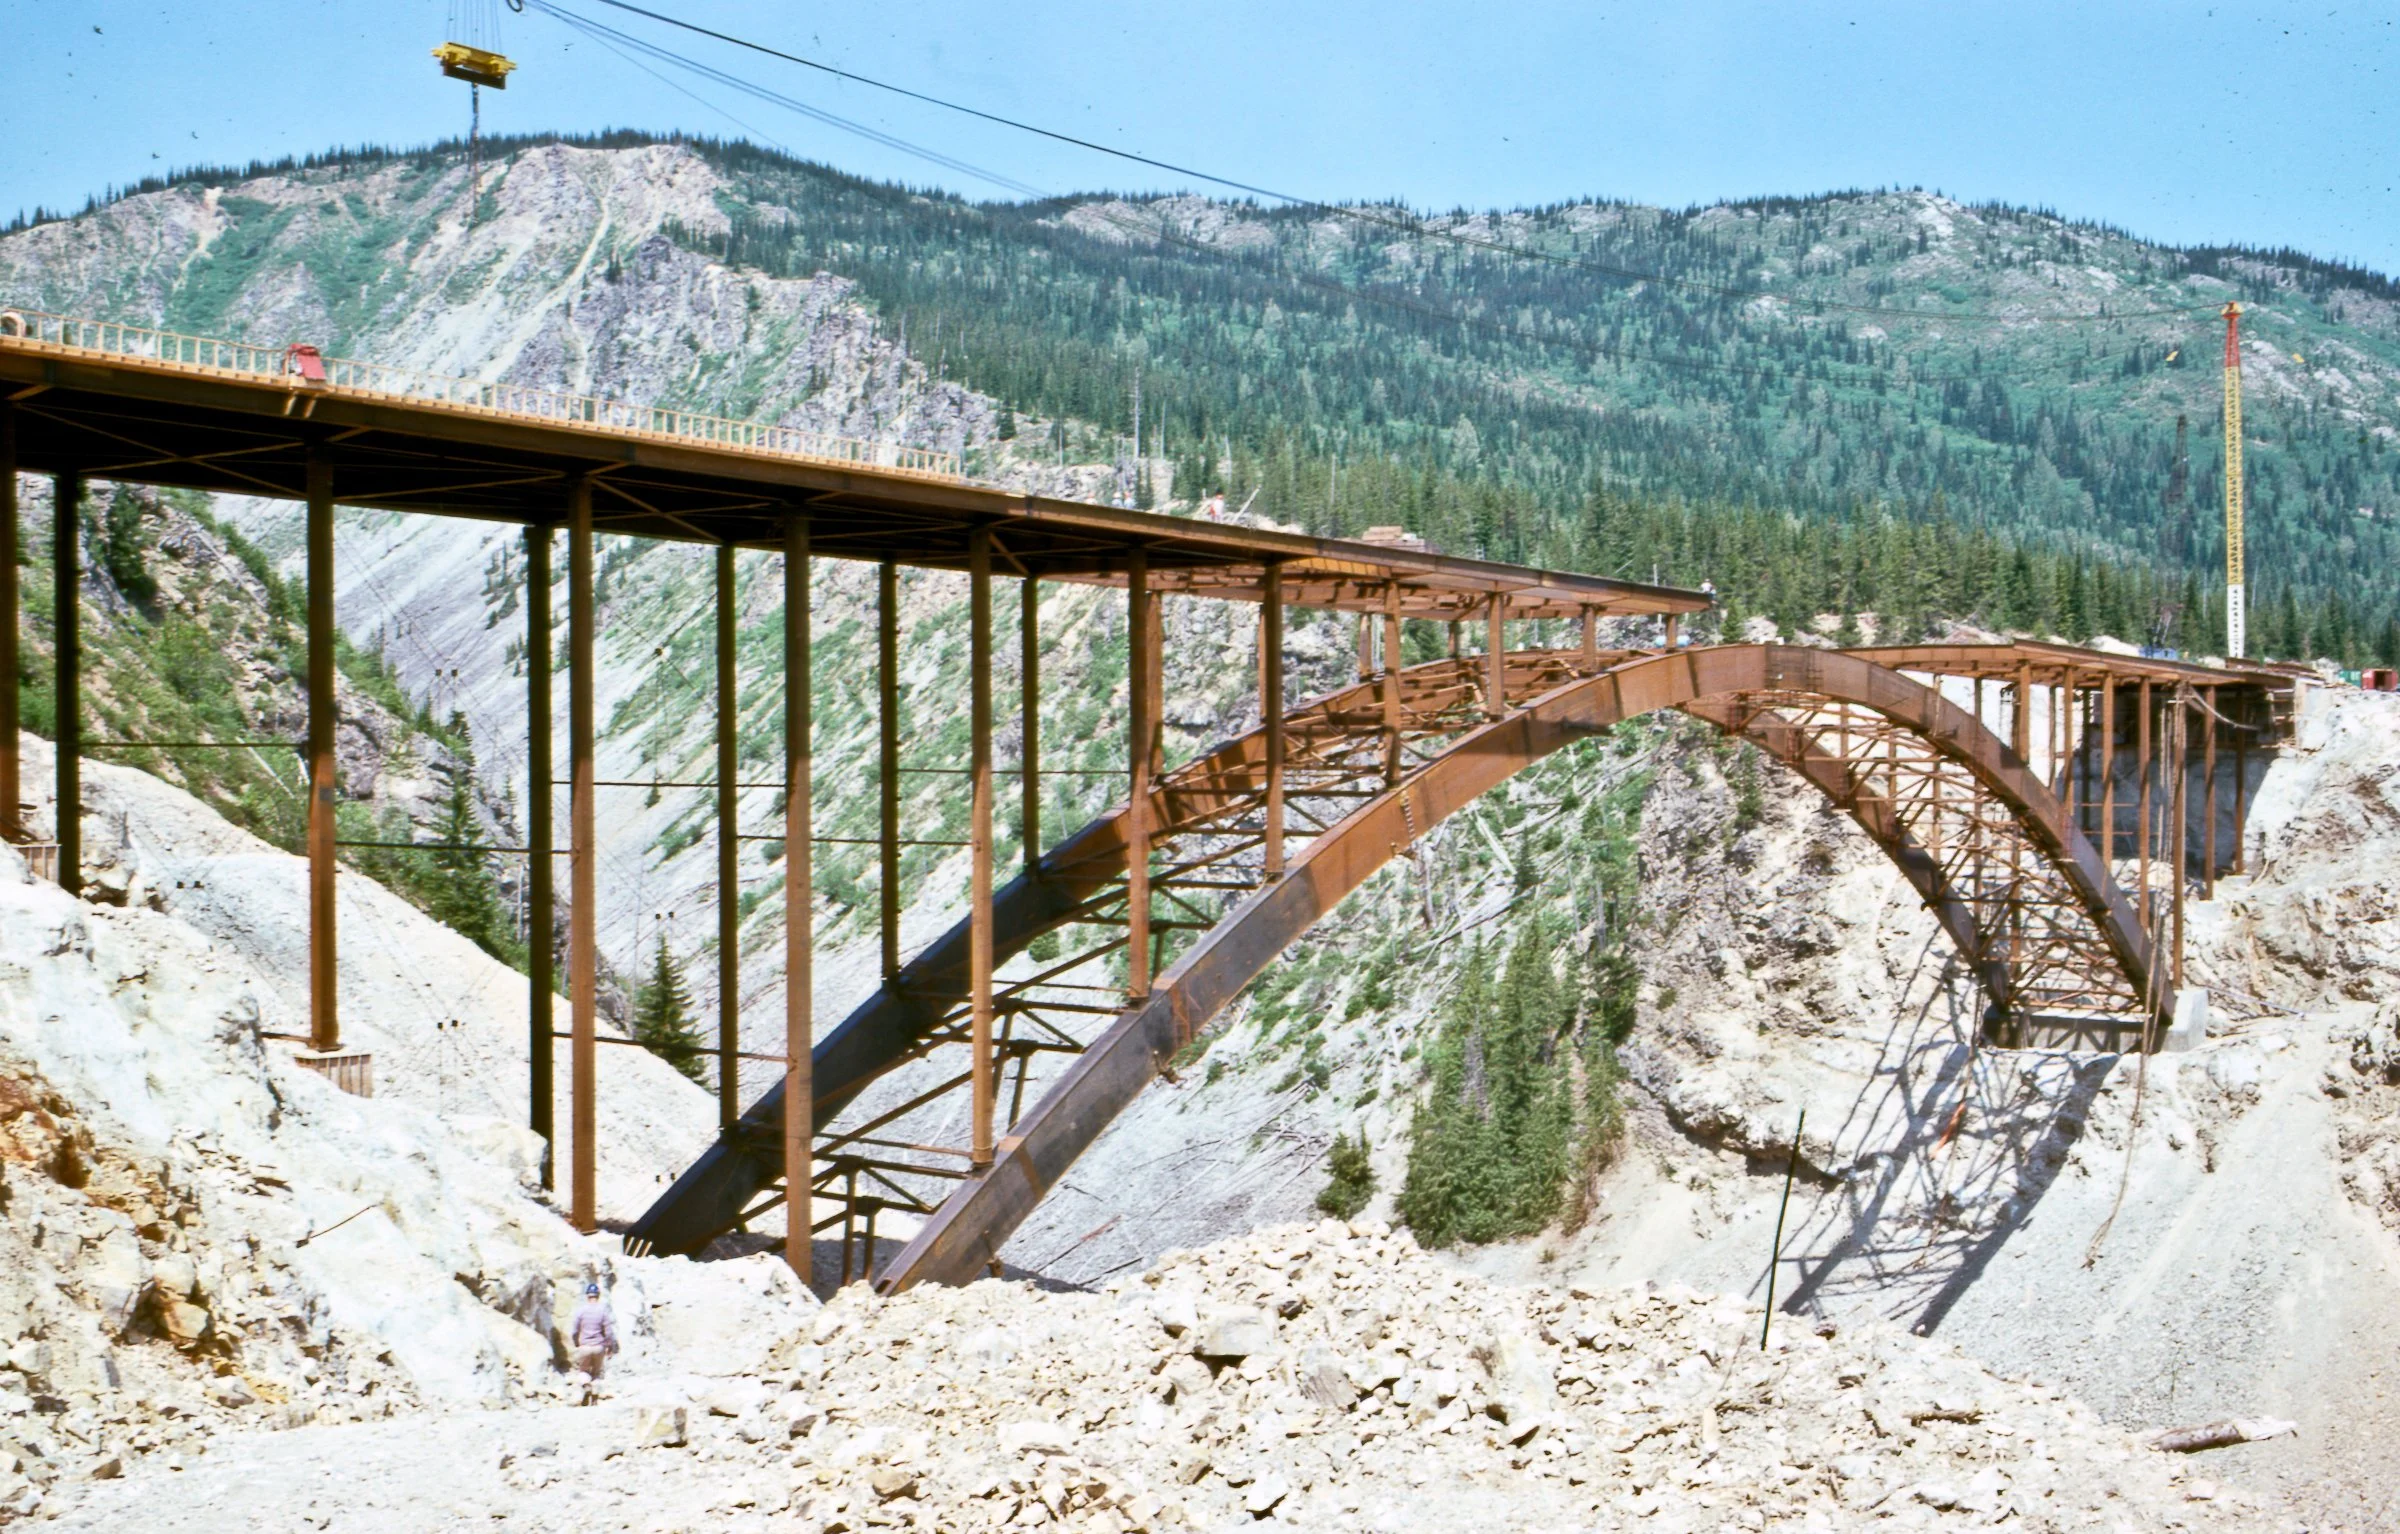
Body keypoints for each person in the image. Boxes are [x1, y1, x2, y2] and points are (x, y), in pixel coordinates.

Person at [568, 1282, 618, 1392]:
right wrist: (610, 1347)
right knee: (597, 1372)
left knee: (583, 1370)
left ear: (587, 1296)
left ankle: (586, 1385)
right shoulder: (603, 1311)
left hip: (584, 1346)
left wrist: (577, 1343)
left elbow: (574, 1331)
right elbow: (609, 1332)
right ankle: (595, 1392)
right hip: (599, 1346)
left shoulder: (580, 1311)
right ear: (598, 1295)